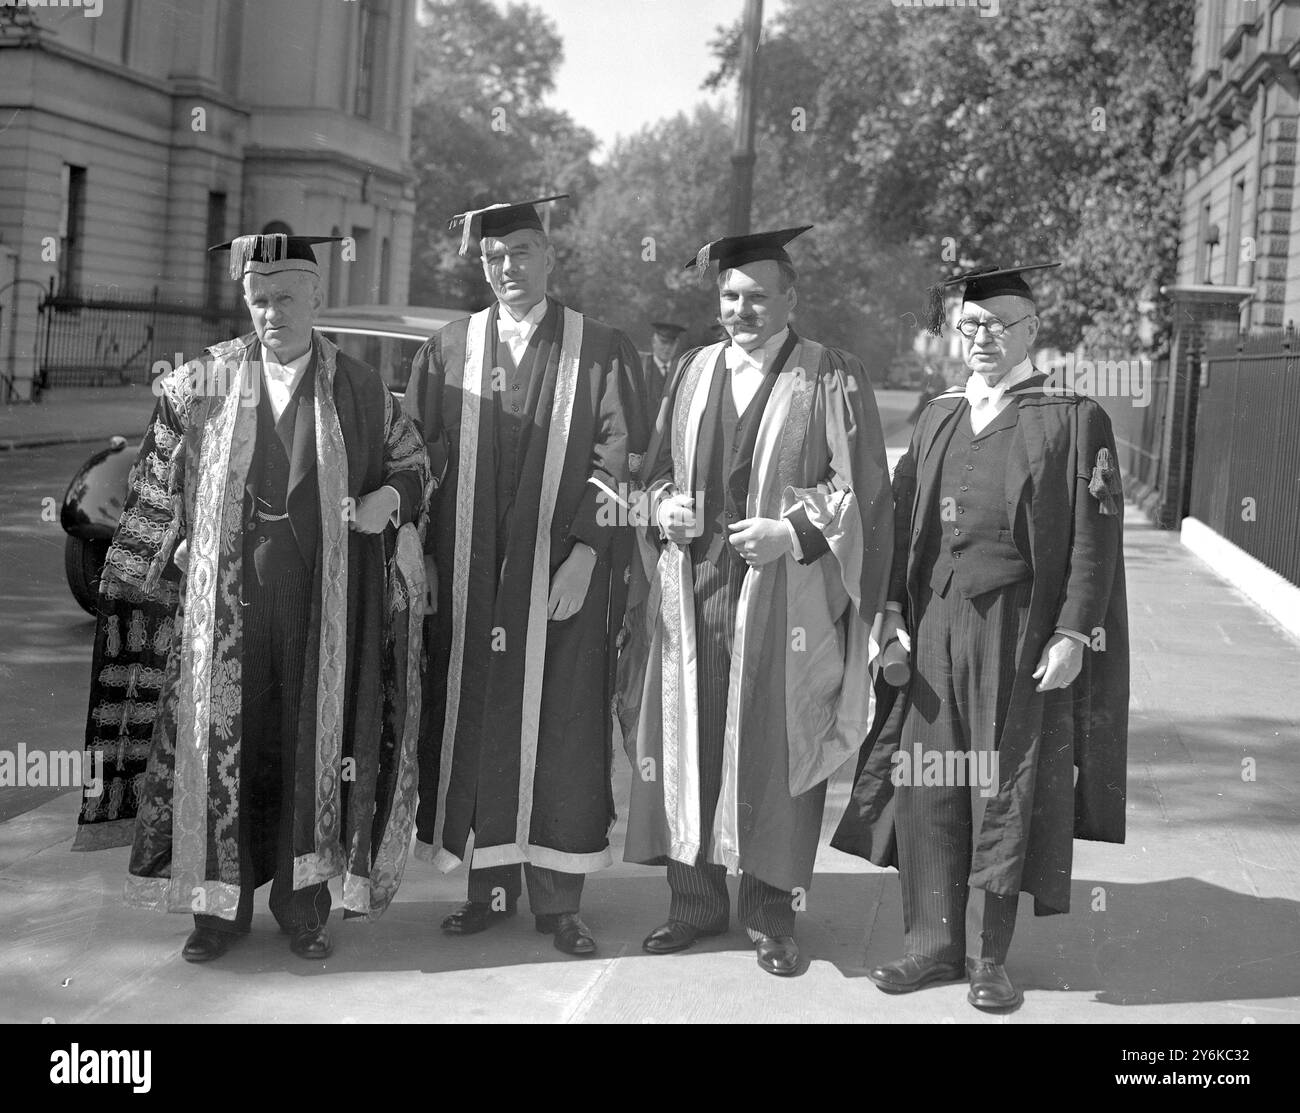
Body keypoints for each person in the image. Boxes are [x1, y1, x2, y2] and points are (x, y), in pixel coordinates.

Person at [74, 233, 431, 963]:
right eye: (260, 299)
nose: (273, 312)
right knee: (224, 750)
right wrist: (166, 550)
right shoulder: (200, 382)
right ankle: (216, 913)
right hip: (225, 606)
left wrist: (389, 499)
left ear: (317, 298)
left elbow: (416, 463)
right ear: (247, 302)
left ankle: (305, 907)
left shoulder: (361, 389)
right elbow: (152, 484)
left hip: (322, 603)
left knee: (314, 746)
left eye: (288, 297)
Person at [833, 262, 1129, 1010]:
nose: (982, 339)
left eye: (999, 327)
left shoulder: (1072, 414)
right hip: (933, 621)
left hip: (1016, 630)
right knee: (928, 785)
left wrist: (1073, 631)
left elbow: (1096, 541)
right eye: (969, 326)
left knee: (999, 785)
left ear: (1032, 331)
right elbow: (903, 522)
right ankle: (929, 944)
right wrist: (890, 612)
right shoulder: (936, 414)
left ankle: (986, 956)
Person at [624, 226, 894, 976]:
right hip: (695, 590)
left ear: (790, 299)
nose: (741, 309)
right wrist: (660, 508)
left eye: (756, 297)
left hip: (786, 602)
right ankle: (695, 902)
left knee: (776, 752)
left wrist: (793, 528)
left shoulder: (828, 376)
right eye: (729, 296)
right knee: (691, 742)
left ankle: (773, 915)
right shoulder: (690, 371)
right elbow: (649, 470)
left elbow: (862, 489)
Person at [405, 196, 645, 956]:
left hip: (562, 574)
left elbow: (623, 455)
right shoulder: (450, 347)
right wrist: (429, 554)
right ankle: (489, 888)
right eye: (493, 257)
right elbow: (421, 456)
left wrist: (586, 552)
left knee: (563, 727)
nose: (507, 268)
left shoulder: (599, 347)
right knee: (477, 721)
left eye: (521, 252)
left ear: (549, 255)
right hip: (473, 582)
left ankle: (559, 901)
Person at [642, 320, 686, 418]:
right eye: (663, 342)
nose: (667, 348)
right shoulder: (642, 368)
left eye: (672, 344)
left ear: (677, 344)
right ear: (653, 342)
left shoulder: (681, 371)